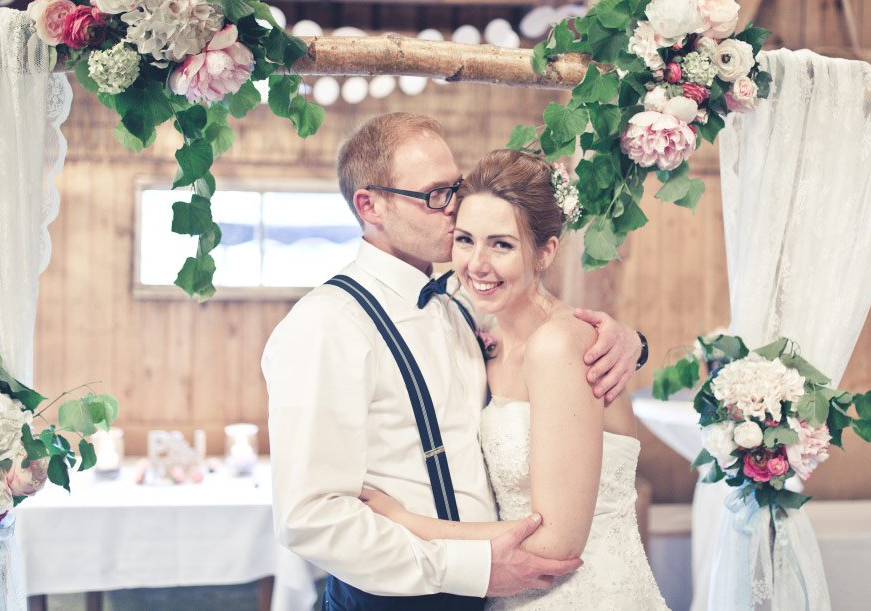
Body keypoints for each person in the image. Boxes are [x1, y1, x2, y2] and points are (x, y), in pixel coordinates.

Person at [263, 114, 646, 610]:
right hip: (400, 598)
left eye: (455, 187)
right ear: (370, 205)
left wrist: (631, 341)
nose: (455, 208)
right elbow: (307, 516)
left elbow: (553, 341)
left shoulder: (465, 303)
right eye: (434, 194)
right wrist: (468, 567)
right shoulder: (325, 325)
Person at [359, 149, 670, 610]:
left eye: (501, 244)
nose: (477, 264)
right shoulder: (484, 338)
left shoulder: (559, 346)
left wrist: (405, 520)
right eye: (465, 240)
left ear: (546, 251)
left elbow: (555, 548)